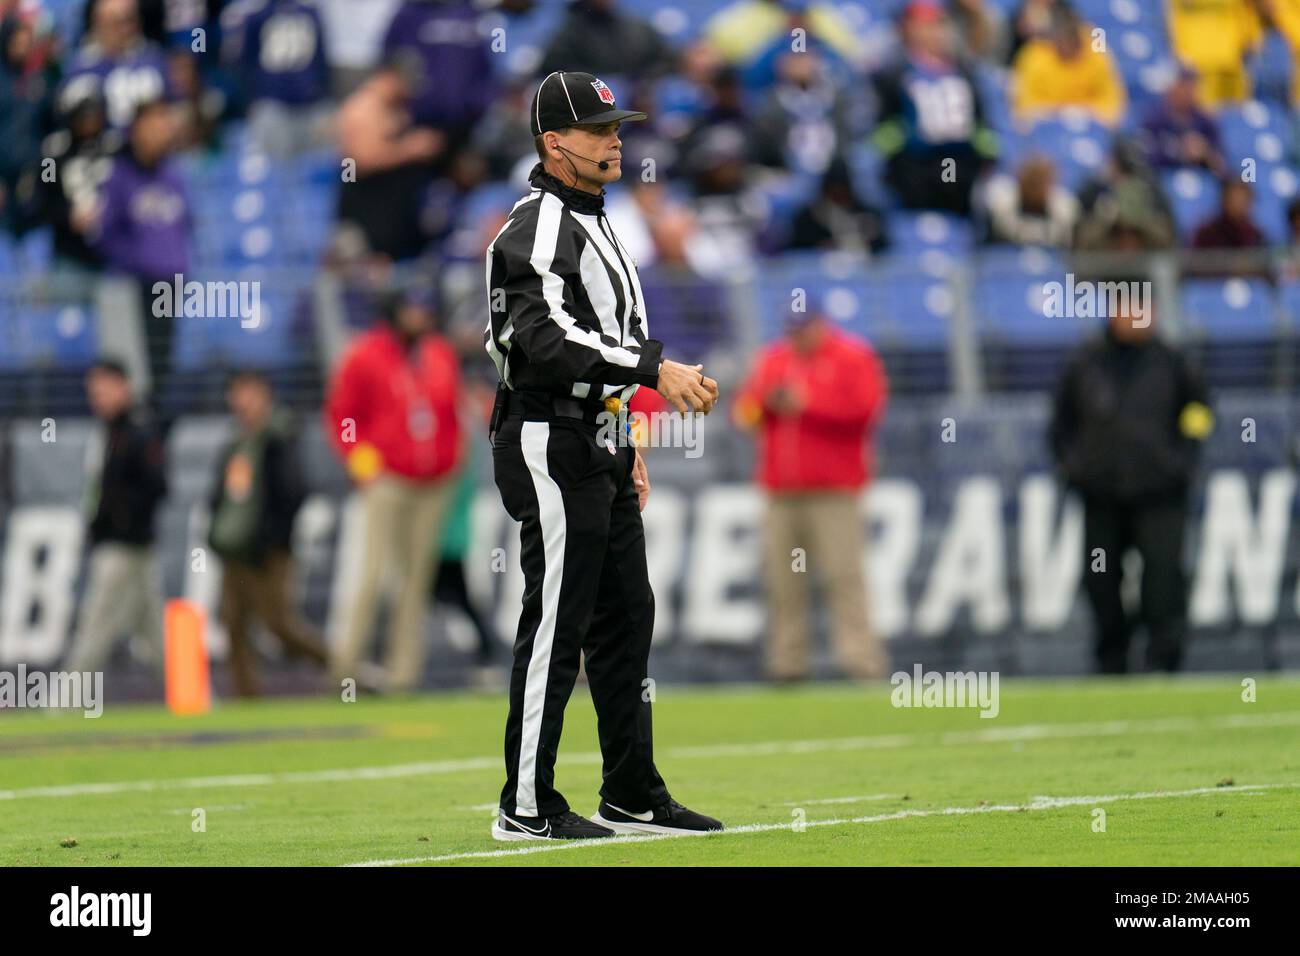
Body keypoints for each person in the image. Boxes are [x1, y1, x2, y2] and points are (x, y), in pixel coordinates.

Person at [483, 70, 723, 840]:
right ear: (555, 143)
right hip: (548, 438)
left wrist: (628, 434)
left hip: (598, 438)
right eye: (599, 129)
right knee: (558, 616)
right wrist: (652, 370)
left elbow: (596, 342)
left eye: (618, 127)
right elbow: (543, 345)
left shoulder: (593, 218)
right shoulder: (532, 228)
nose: (616, 140)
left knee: (624, 617)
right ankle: (524, 804)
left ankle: (630, 790)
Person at [1049, 296, 1214, 673]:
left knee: (1163, 581)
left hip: (1160, 496)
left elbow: (1200, 412)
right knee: (1101, 580)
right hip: (1102, 496)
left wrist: (1181, 461)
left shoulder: (1174, 363)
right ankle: (1112, 661)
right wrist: (1075, 468)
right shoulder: (1086, 362)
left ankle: (1163, 660)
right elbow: (1060, 424)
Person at [733, 309, 889, 683]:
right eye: (792, 330)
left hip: (834, 491)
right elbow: (744, 413)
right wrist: (766, 404)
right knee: (784, 582)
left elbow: (866, 410)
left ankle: (860, 662)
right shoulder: (774, 358)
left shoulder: (852, 356)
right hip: (781, 492)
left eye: (803, 329)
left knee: (843, 577)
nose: (797, 336)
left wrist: (809, 402)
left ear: (821, 325)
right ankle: (788, 664)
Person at [323, 292, 462, 693]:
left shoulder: (438, 353)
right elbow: (342, 415)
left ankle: (403, 673)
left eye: (424, 309)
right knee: (372, 572)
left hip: (432, 483)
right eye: (411, 309)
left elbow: (451, 413)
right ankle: (345, 666)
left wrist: (450, 460)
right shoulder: (366, 354)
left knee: (415, 581)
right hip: (388, 479)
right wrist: (362, 463)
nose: (418, 316)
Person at [209, 370, 329, 698]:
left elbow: (293, 492)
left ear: (266, 396)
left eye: (249, 392)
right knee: (234, 624)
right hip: (235, 550)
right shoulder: (235, 443)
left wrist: (269, 536)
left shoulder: (279, 437)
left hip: (269, 552)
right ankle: (247, 697)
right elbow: (223, 496)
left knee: (279, 625)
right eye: (236, 392)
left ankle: (341, 668)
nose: (241, 400)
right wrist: (217, 535)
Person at [66, 359, 169, 674]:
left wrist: (121, 518)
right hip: (129, 544)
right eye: (93, 393)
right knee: (155, 633)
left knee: (95, 622)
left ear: (123, 387)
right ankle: (196, 695)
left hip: (122, 544)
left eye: (103, 390)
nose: (97, 399)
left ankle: (68, 699)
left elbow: (157, 485)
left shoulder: (138, 432)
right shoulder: (109, 433)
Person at [91, 97, 192, 402]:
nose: (163, 130)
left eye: (165, 123)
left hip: (171, 286)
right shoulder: (120, 176)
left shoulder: (173, 175)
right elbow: (104, 233)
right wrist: (136, 262)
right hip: (137, 288)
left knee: (163, 371)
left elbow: (186, 224)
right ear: (137, 130)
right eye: (155, 124)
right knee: (137, 371)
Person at [871, 0, 998, 216]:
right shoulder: (894, 74)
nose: (932, 32)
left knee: (956, 186)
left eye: (937, 25)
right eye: (924, 25)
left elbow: (981, 121)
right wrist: (903, 136)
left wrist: (987, 152)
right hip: (916, 163)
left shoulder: (965, 71)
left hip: (956, 160)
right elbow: (883, 126)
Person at [61, 0, 172, 131]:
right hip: (97, 147)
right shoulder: (80, 67)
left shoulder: (154, 59)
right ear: (97, 24)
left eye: (129, 20)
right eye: (114, 22)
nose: (124, 30)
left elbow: (174, 106)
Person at [1010, 6, 1125, 127]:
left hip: (1091, 127)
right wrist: (1055, 113)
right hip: (1048, 130)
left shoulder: (1098, 52)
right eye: (1062, 39)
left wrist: (1084, 112)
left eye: (1071, 38)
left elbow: (1112, 106)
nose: (1067, 45)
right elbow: (1023, 108)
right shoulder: (1034, 55)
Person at [1138, 64, 1225, 175]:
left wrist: (1205, 153)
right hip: (1161, 182)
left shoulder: (1205, 122)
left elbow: (1222, 165)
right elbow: (1144, 155)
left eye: (1192, 87)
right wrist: (1180, 151)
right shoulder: (1154, 118)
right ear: (1172, 88)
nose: (1188, 93)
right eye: (1183, 86)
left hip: (1199, 181)